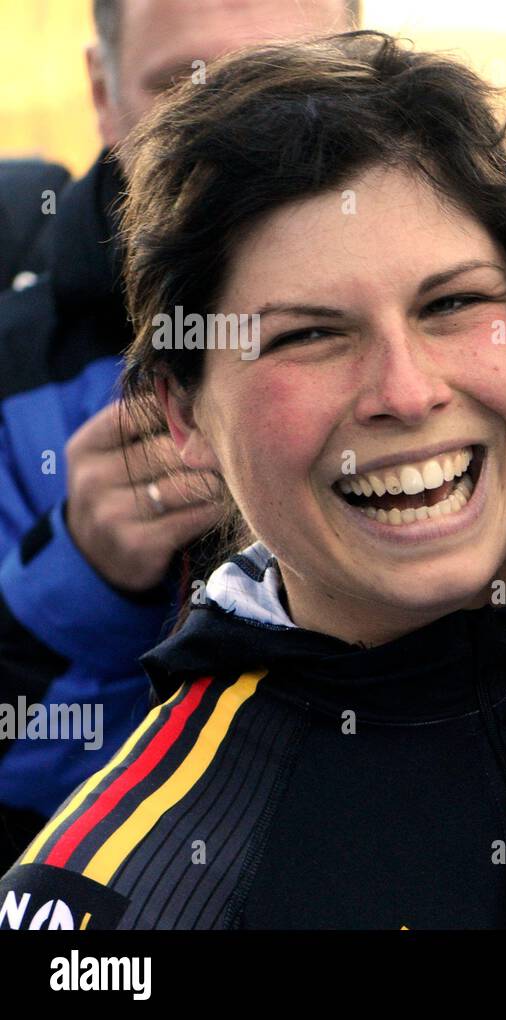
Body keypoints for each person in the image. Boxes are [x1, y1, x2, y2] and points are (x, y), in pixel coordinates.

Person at [0, 34, 506, 930]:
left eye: (453, 304)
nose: (407, 391)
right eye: (309, 335)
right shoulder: (128, 898)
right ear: (184, 415)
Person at [0, 0, 359, 864]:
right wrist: (84, 580)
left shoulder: (476, 322)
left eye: (289, 85)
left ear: (368, 76)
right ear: (103, 90)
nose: (237, 139)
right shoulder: (19, 366)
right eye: (181, 88)